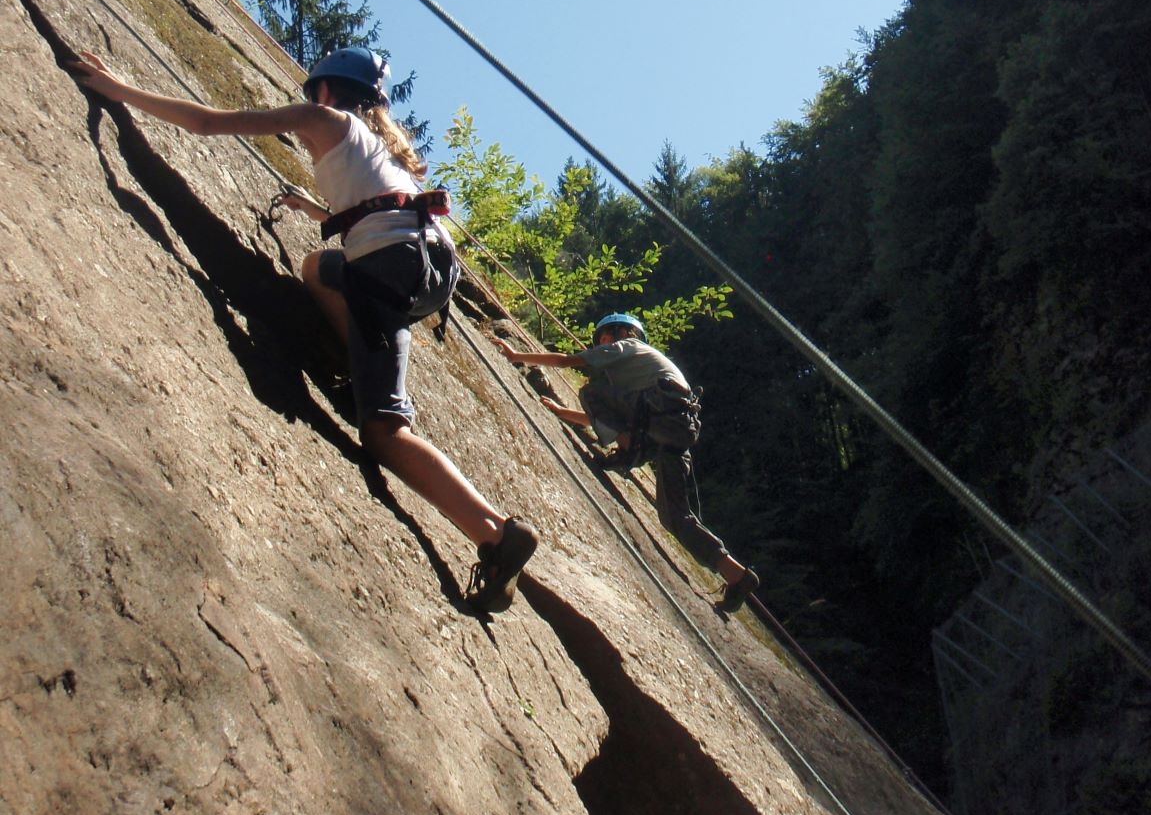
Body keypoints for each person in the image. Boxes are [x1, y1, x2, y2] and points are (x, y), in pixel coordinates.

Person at [69, 45, 537, 613]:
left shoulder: (325, 119)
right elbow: (379, 210)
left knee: (384, 431)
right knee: (321, 265)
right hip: (427, 273)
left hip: (390, 268)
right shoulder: (386, 151)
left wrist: (118, 89)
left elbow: (207, 122)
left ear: (323, 89)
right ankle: (366, 367)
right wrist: (317, 214)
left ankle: (492, 532)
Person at [494, 313, 759, 613]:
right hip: (673, 428)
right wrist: (560, 411)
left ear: (622, 332)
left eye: (604, 337)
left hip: (658, 419)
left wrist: (516, 355)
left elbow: (570, 363)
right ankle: (736, 575)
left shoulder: (627, 347)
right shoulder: (642, 370)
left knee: (591, 389)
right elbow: (604, 419)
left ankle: (629, 450)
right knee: (674, 518)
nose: (601, 344)